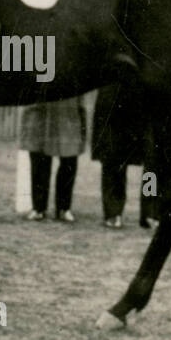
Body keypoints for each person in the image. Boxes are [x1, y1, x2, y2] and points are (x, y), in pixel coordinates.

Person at [92, 82, 160, 230]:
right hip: (113, 101)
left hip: (146, 102)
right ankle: (113, 213)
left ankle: (150, 212)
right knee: (113, 160)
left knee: (152, 163)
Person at [20, 96, 87, 222]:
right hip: (41, 113)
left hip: (67, 112)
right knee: (39, 160)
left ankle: (64, 208)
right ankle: (39, 208)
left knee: (69, 160)